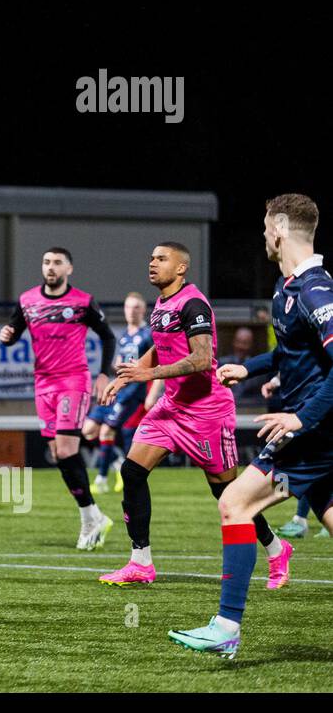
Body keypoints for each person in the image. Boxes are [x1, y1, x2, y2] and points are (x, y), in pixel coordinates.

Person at [170, 194, 333, 658]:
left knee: (234, 503)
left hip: (312, 432)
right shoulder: (288, 289)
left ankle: (226, 625)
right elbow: (294, 352)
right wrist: (252, 367)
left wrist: (301, 416)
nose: (263, 234)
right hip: (314, 430)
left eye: (265, 226)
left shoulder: (316, 291)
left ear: (280, 227)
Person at [97, 243, 288, 587]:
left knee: (227, 494)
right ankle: (141, 562)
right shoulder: (161, 305)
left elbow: (202, 360)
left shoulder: (194, 303)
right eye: (151, 257)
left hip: (206, 412)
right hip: (171, 408)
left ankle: (276, 549)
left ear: (181, 268)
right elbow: (159, 347)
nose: (151, 263)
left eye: (161, 258)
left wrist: (148, 376)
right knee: (132, 472)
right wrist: (124, 380)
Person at [0, 247, 115, 550]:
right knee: (57, 453)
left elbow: (107, 336)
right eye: (47, 262)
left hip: (73, 381)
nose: (50, 267)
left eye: (57, 263)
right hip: (43, 385)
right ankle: (92, 515)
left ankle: (90, 518)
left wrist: (103, 374)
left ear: (69, 269)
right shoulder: (27, 301)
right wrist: (7, 337)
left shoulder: (82, 302)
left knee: (65, 450)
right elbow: (14, 332)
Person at [82, 292, 153, 494]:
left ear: (143, 310)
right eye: (129, 307)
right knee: (88, 430)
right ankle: (118, 463)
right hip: (117, 388)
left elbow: (156, 364)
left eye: (136, 307)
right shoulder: (124, 336)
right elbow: (122, 363)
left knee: (106, 431)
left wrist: (152, 393)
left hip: (132, 392)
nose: (132, 311)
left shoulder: (148, 335)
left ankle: (102, 479)